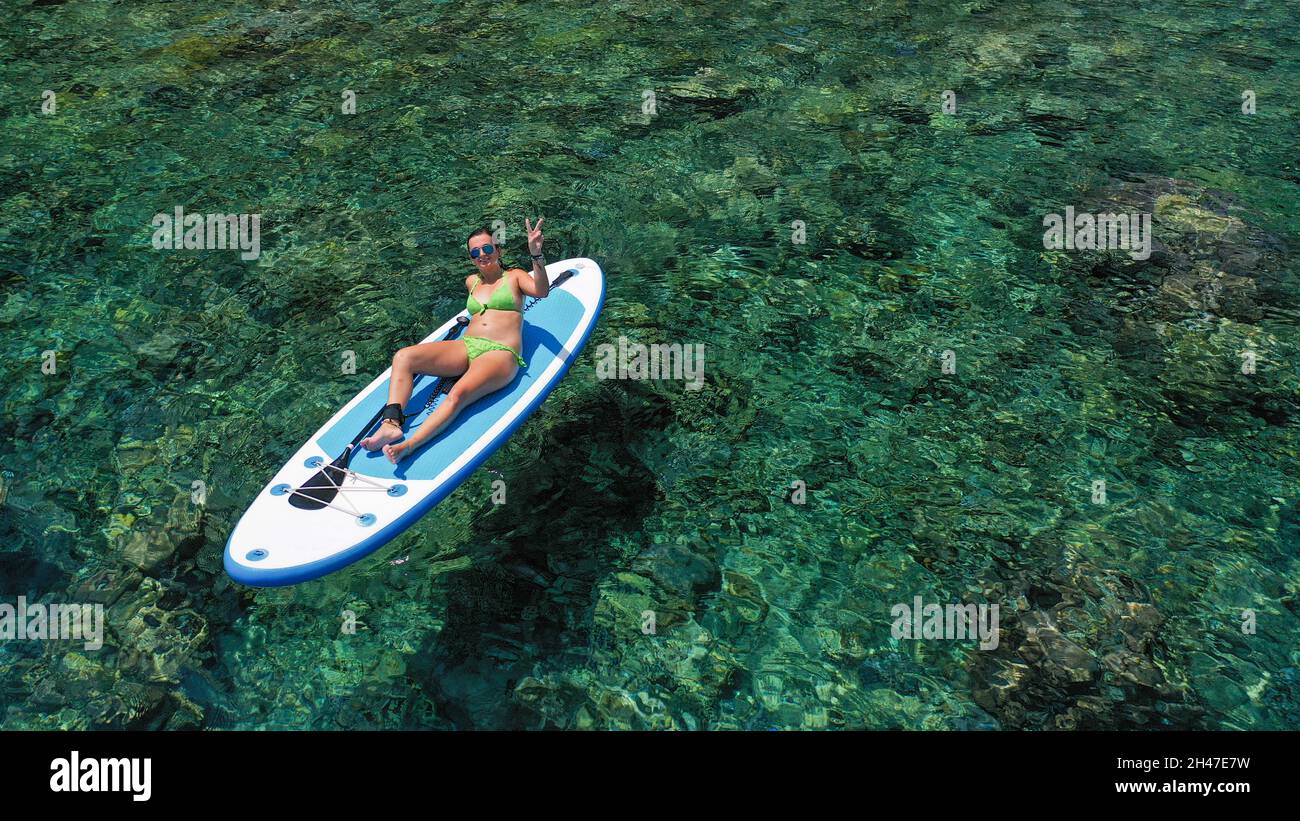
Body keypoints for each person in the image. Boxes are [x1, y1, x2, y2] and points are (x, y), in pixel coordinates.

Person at [361, 217, 550, 463]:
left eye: (487, 248)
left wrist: (536, 255)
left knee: (458, 394)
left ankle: (410, 445)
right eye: (475, 252)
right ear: (471, 258)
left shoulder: (514, 276)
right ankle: (391, 424)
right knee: (404, 357)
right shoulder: (471, 282)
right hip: (467, 346)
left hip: (499, 353)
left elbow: (542, 291)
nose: (482, 254)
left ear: (498, 250)